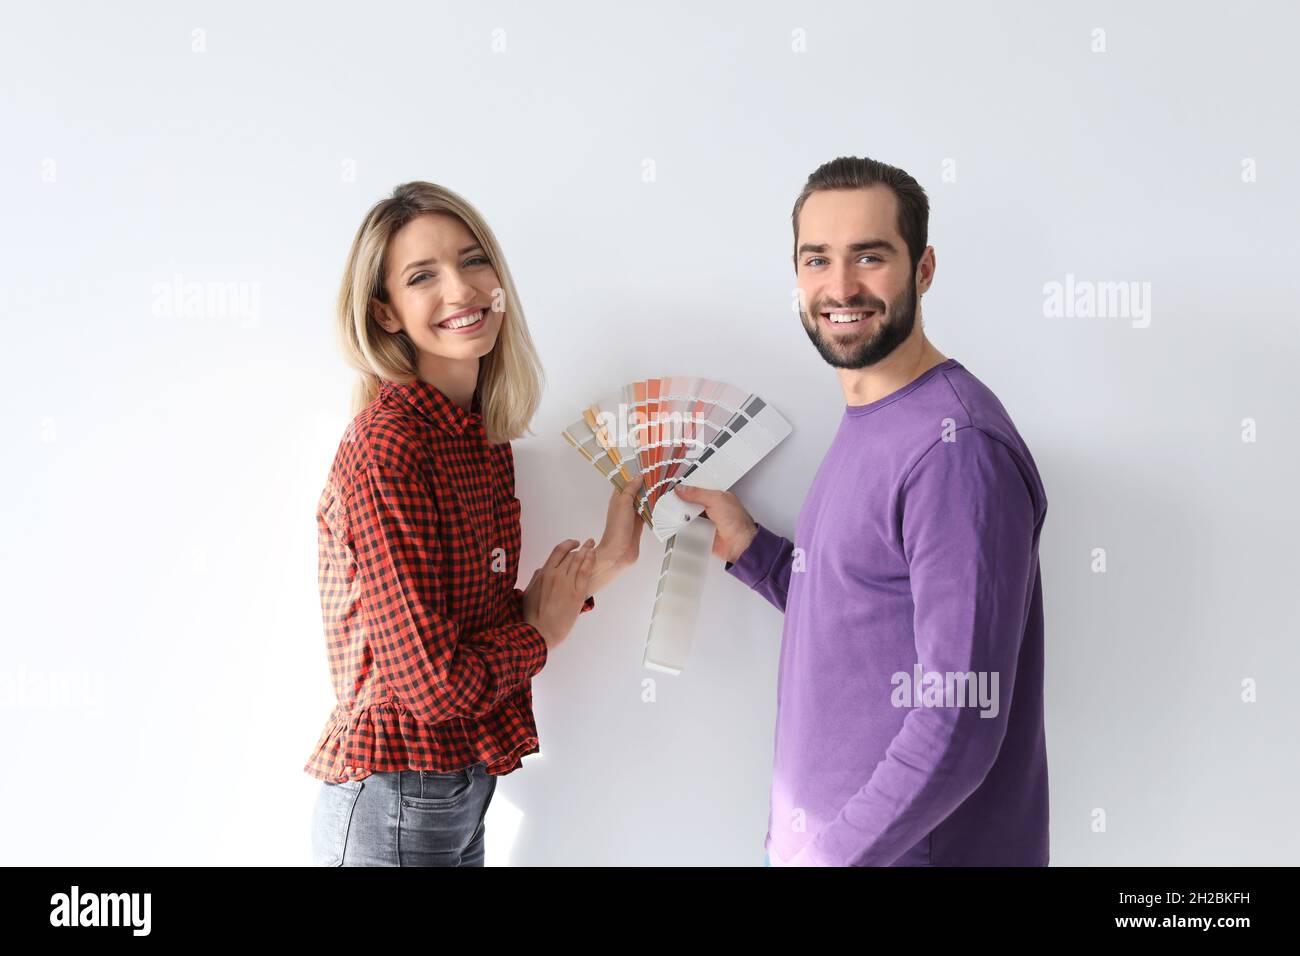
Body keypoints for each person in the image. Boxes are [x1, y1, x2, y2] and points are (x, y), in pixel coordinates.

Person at [677, 156, 1050, 867]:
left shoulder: (955, 449)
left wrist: (825, 859)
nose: (840, 287)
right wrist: (752, 550)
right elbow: (866, 613)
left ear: (925, 268)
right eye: (817, 259)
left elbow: (960, 714)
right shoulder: (876, 419)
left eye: (869, 256)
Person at [304, 181, 644, 866]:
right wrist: (540, 634)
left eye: (473, 261)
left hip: (453, 791)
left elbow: (468, 636)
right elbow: (432, 686)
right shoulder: (389, 443)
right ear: (387, 313)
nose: (461, 290)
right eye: (422, 276)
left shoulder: (479, 439)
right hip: (394, 797)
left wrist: (604, 560)